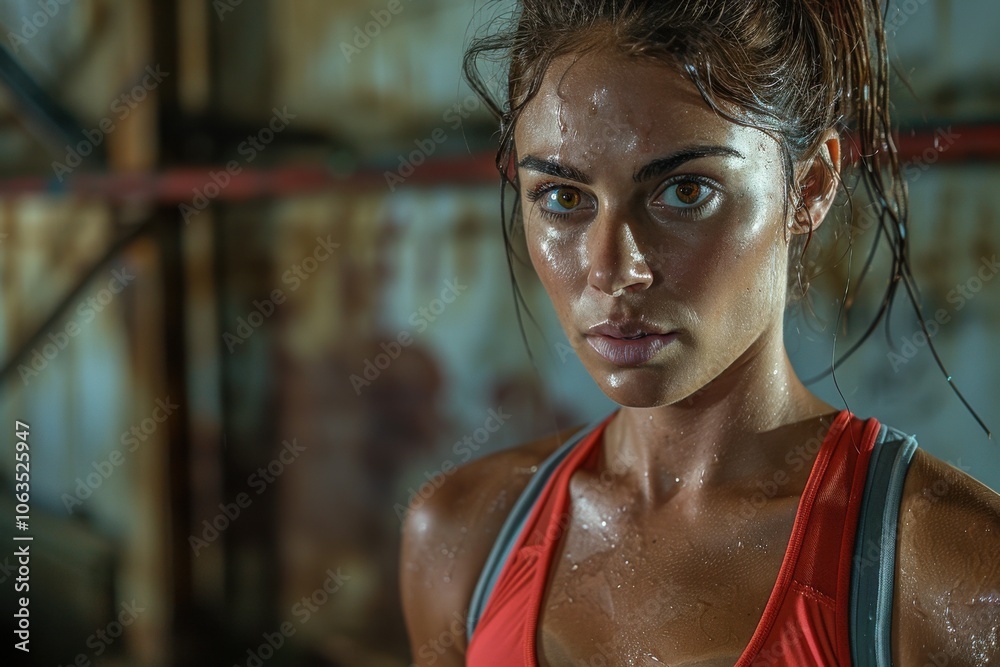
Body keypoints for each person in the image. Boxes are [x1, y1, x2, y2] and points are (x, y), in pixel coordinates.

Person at [400, 1, 1000, 665]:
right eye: (564, 197)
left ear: (811, 186)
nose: (613, 269)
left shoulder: (954, 576)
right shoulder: (463, 535)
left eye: (686, 192)